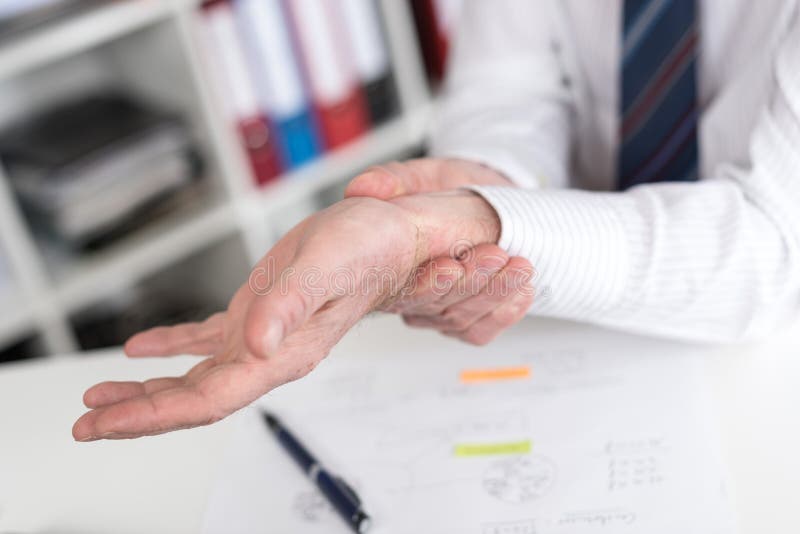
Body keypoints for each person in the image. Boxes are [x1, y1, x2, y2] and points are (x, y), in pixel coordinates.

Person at [73, 0, 800, 441]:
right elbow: (507, 89)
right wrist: (485, 183)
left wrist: (478, 226)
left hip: (762, 359)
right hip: (565, 330)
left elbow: (774, 242)